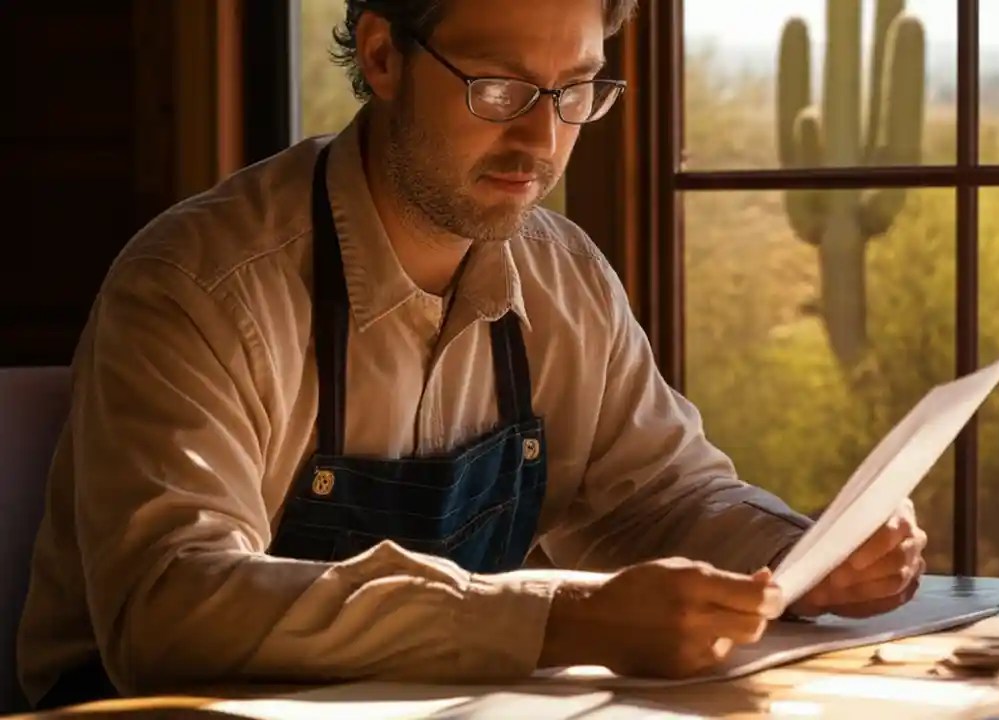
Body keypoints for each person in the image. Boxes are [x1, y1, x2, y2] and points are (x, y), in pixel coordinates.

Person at [17, 0, 927, 709]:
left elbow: (662, 496)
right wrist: (561, 620)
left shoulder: (564, 276)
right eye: (498, 88)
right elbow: (173, 605)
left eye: (576, 91)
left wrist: (805, 557)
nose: (541, 139)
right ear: (381, 57)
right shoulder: (200, 285)